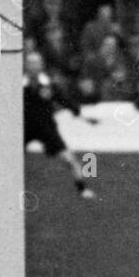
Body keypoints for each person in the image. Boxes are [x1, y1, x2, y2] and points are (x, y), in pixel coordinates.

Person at [23, 49, 96, 200]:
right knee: (8, 160)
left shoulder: (49, 85)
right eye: (30, 63)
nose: (33, 66)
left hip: (46, 127)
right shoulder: (19, 85)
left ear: (41, 65)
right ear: (25, 65)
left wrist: (82, 116)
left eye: (36, 63)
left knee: (69, 159)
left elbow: (64, 101)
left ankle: (82, 189)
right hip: (24, 128)